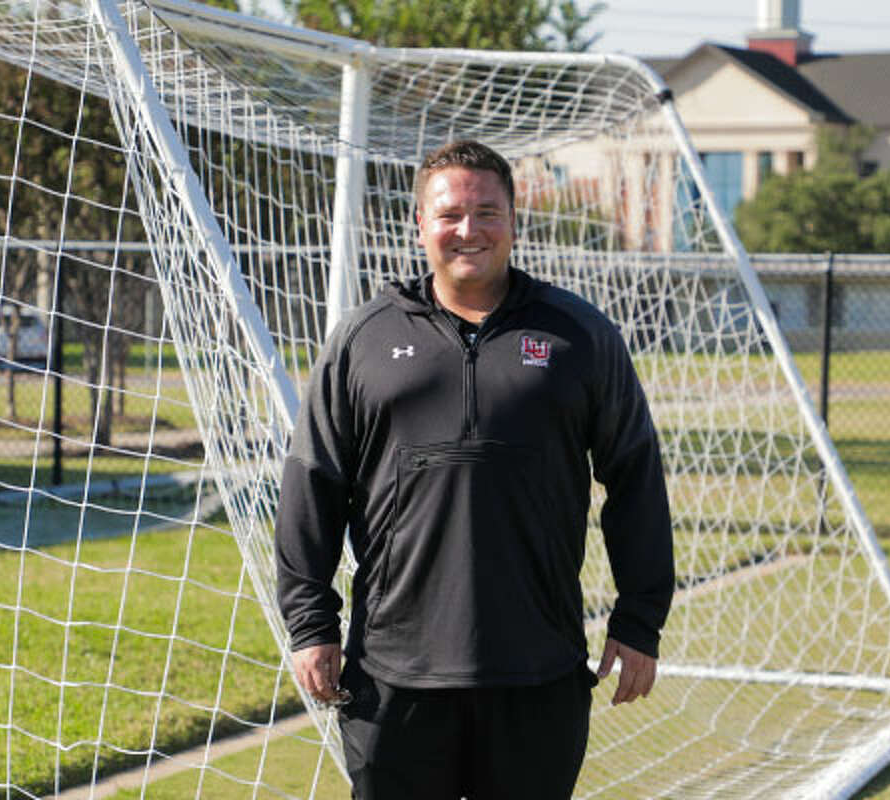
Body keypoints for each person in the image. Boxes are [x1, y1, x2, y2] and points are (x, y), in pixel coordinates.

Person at [275, 139, 674, 799]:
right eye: (450, 214)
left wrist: (638, 621)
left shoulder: (579, 335)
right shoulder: (362, 338)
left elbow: (635, 478)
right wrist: (311, 624)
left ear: (514, 220)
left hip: (538, 670)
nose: (469, 229)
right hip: (393, 676)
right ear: (420, 224)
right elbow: (312, 484)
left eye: (487, 212)